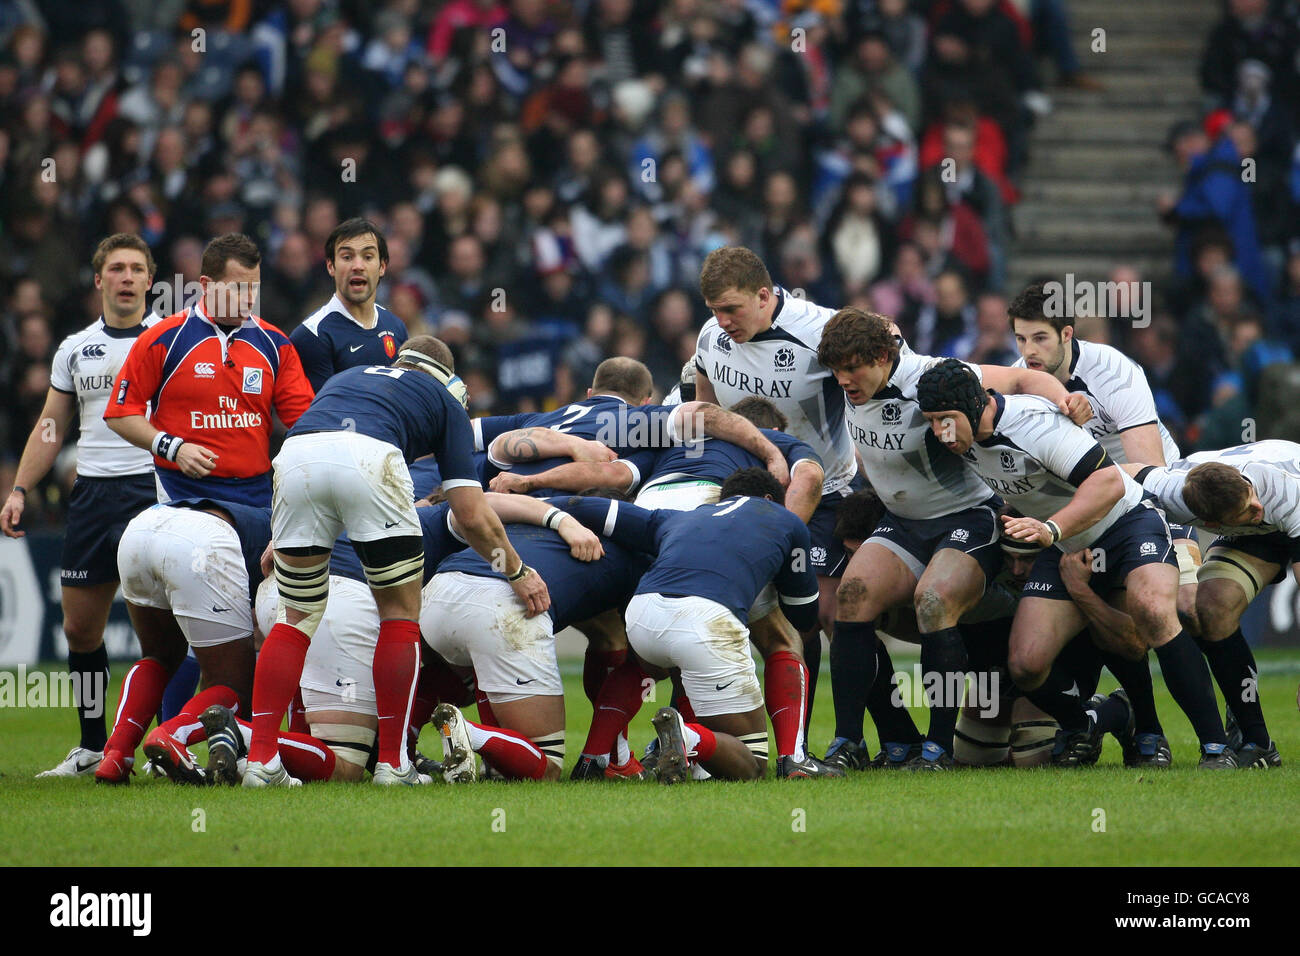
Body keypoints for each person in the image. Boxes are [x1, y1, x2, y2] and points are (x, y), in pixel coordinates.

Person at [247, 335, 549, 786]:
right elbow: (470, 514)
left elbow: (317, 450)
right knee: (399, 614)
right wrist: (517, 570)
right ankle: (394, 764)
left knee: (296, 616)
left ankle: (261, 762)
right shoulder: (444, 403)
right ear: (449, 380)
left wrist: (285, 535)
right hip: (370, 458)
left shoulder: (349, 377)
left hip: (295, 457)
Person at [915, 358, 1235, 769]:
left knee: (1154, 614)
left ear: (974, 406)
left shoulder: (1032, 424)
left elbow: (1108, 481)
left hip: (1126, 523)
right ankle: (1097, 718)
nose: (939, 432)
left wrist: (1051, 529)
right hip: (1067, 542)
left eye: (945, 420)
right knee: (1026, 663)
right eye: (931, 421)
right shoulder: (964, 434)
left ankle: (1215, 748)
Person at [815, 306, 1091, 770]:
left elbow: (1021, 381)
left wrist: (1068, 401)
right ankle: (850, 743)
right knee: (851, 597)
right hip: (903, 523)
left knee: (933, 601)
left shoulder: (934, 377)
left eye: (853, 368)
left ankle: (937, 748)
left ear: (884, 356)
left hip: (968, 517)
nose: (843, 379)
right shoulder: (855, 381)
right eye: (837, 370)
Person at [1008, 281, 1192, 766]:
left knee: (1192, 608)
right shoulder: (1019, 381)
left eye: (1040, 339)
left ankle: (1230, 731)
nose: (1028, 352)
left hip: (1155, 503)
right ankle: (1101, 718)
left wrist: (1091, 493)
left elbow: (1150, 465)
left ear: (1067, 334)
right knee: (1050, 648)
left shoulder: (1112, 370)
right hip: (1077, 521)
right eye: (1021, 339)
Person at [691, 246, 861, 760]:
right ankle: (798, 746)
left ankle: (864, 737)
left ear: (765, 296)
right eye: (714, 310)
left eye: (732, 309)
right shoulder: (710, 335)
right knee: (773, 618)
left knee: (827, 616)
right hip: (748, 494)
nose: (722, 321)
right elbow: (703, 402)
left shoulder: (819, 331)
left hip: (825, 492)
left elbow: (880, 358)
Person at [2, 234, 160, 778]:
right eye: (115, 268)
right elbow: (51, 426)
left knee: (160, 629)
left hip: (152, 491)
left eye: (135, 269)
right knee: (79, 630)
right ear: (99, 280)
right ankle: (93, 744)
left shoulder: (170, 340)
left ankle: (163, 745)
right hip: (92, 495)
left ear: (148, 280)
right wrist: (20, 488)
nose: (125, 277)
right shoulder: (74, 347)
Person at [554, 468, 822, 782]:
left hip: (643, 614)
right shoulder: (784, 519)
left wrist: (530, 503)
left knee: (644, 668)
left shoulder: (683, 517)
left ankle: (595, 757)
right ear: (768, 500)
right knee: (751, 764)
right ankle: (690, 739)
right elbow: (804, 616)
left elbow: (587, 506)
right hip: (705, 620)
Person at [105, 232, 315, 508]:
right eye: (237, 288)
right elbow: (120, 414)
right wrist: (173, 448)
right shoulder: (164, 339)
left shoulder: (275, 344)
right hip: (183, 492)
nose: (248, 299)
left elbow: (307, 425)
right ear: (206, 285)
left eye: (254, 288)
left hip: (257, 495)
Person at [1128, 440, 1300, 768]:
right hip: (1255, 536)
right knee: (1210, 609)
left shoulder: (1282, 494)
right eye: (1246, 511)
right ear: (1209, 524)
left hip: (1292, 506)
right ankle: (1257, 740)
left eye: (1251, 498)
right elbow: (1117, 476)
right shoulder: (1172, 489)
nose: (1256, 508)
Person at [93, 496, 270, 783]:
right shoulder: (299, 534)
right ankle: (171, 735)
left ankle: (116, 753)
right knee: (234, 685)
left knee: (159, 657)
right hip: (201, 542)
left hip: (142, 527)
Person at [290, 217, 409, 391]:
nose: (358, 266)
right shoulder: (312, 336)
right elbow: (318, 414)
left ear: (382, 266)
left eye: (368, 257)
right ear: (331, 266)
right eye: (347, 257)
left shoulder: (396, 326)